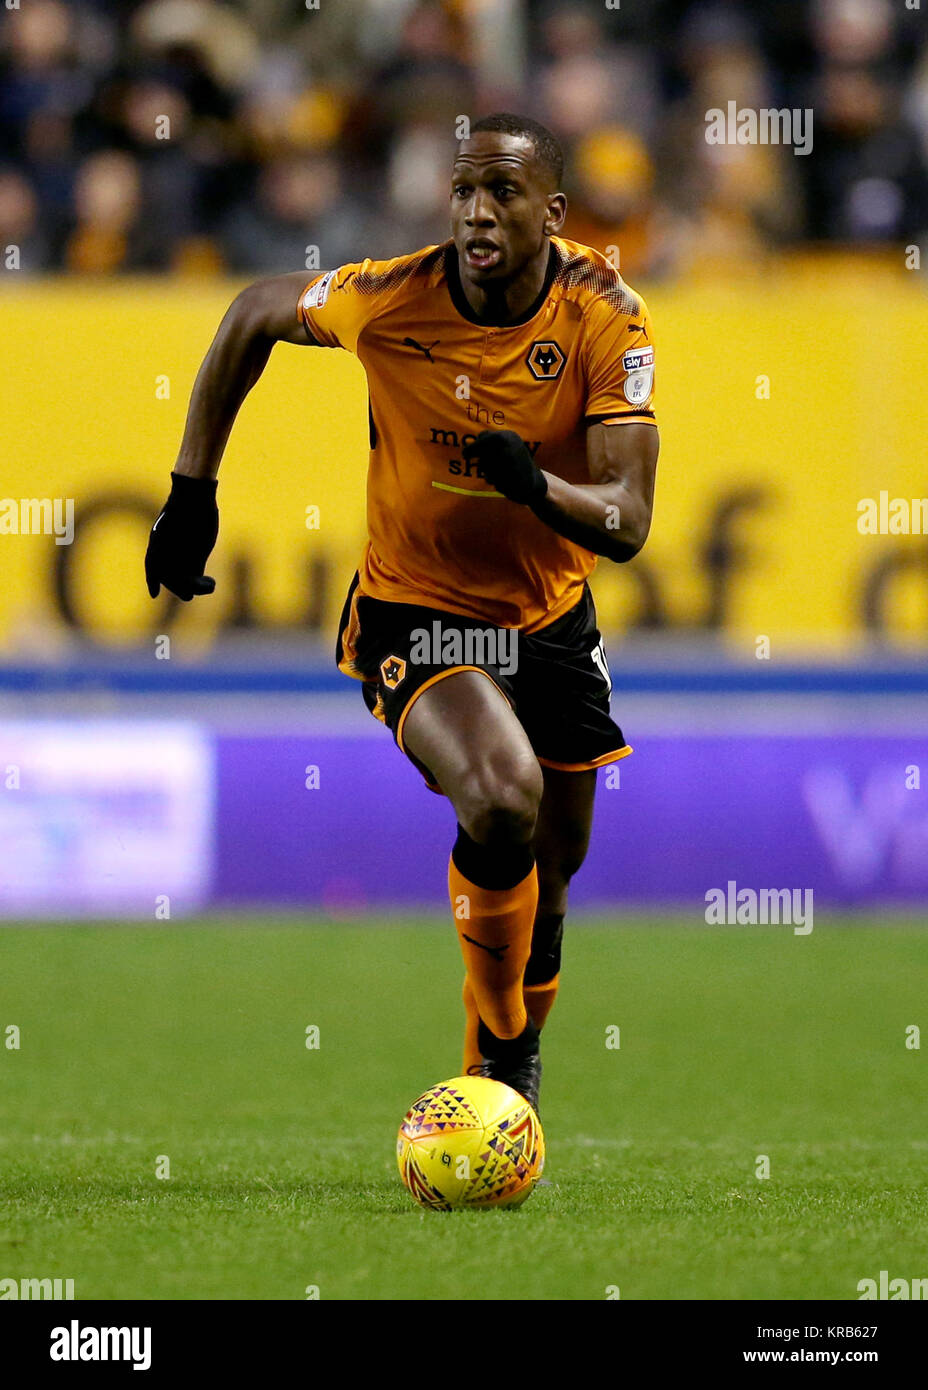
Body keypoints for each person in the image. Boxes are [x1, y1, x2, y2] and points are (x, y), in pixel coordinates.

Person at [145, 113, 659, 1118]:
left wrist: (536, 490)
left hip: (548, 616)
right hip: (412, 608)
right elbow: (253, 309)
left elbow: (628, 520)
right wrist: (191, 491)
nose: (476, 210)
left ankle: (502, 1043)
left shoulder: (606, 313)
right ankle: (504, 1058)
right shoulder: (392, 298)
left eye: (502, 192)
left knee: (554, 864)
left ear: (551, 214)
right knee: (501, 795)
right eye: (464, 188)